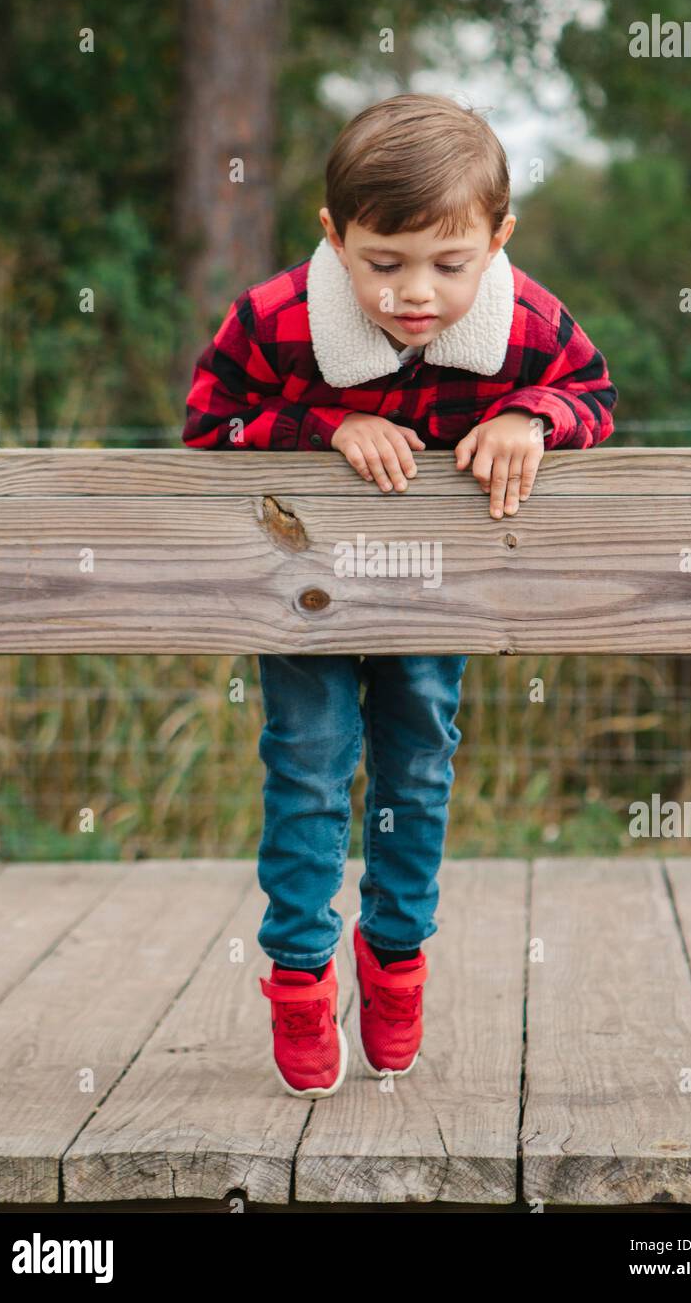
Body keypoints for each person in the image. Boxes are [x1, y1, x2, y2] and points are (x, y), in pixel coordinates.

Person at [182, 92, 618, 1098]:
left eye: (449, 265)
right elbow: (211, 425)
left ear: (496, 240)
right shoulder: (276, 319)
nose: (414, 294)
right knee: (307, 771)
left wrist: (535, 417)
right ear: (335, 237)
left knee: (417, 772)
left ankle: (396, 960)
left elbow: (593, 395)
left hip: (433, 596)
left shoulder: (530, 323)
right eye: (382, 264)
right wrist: (318, 426)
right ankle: (299, 975)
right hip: (311, 598)